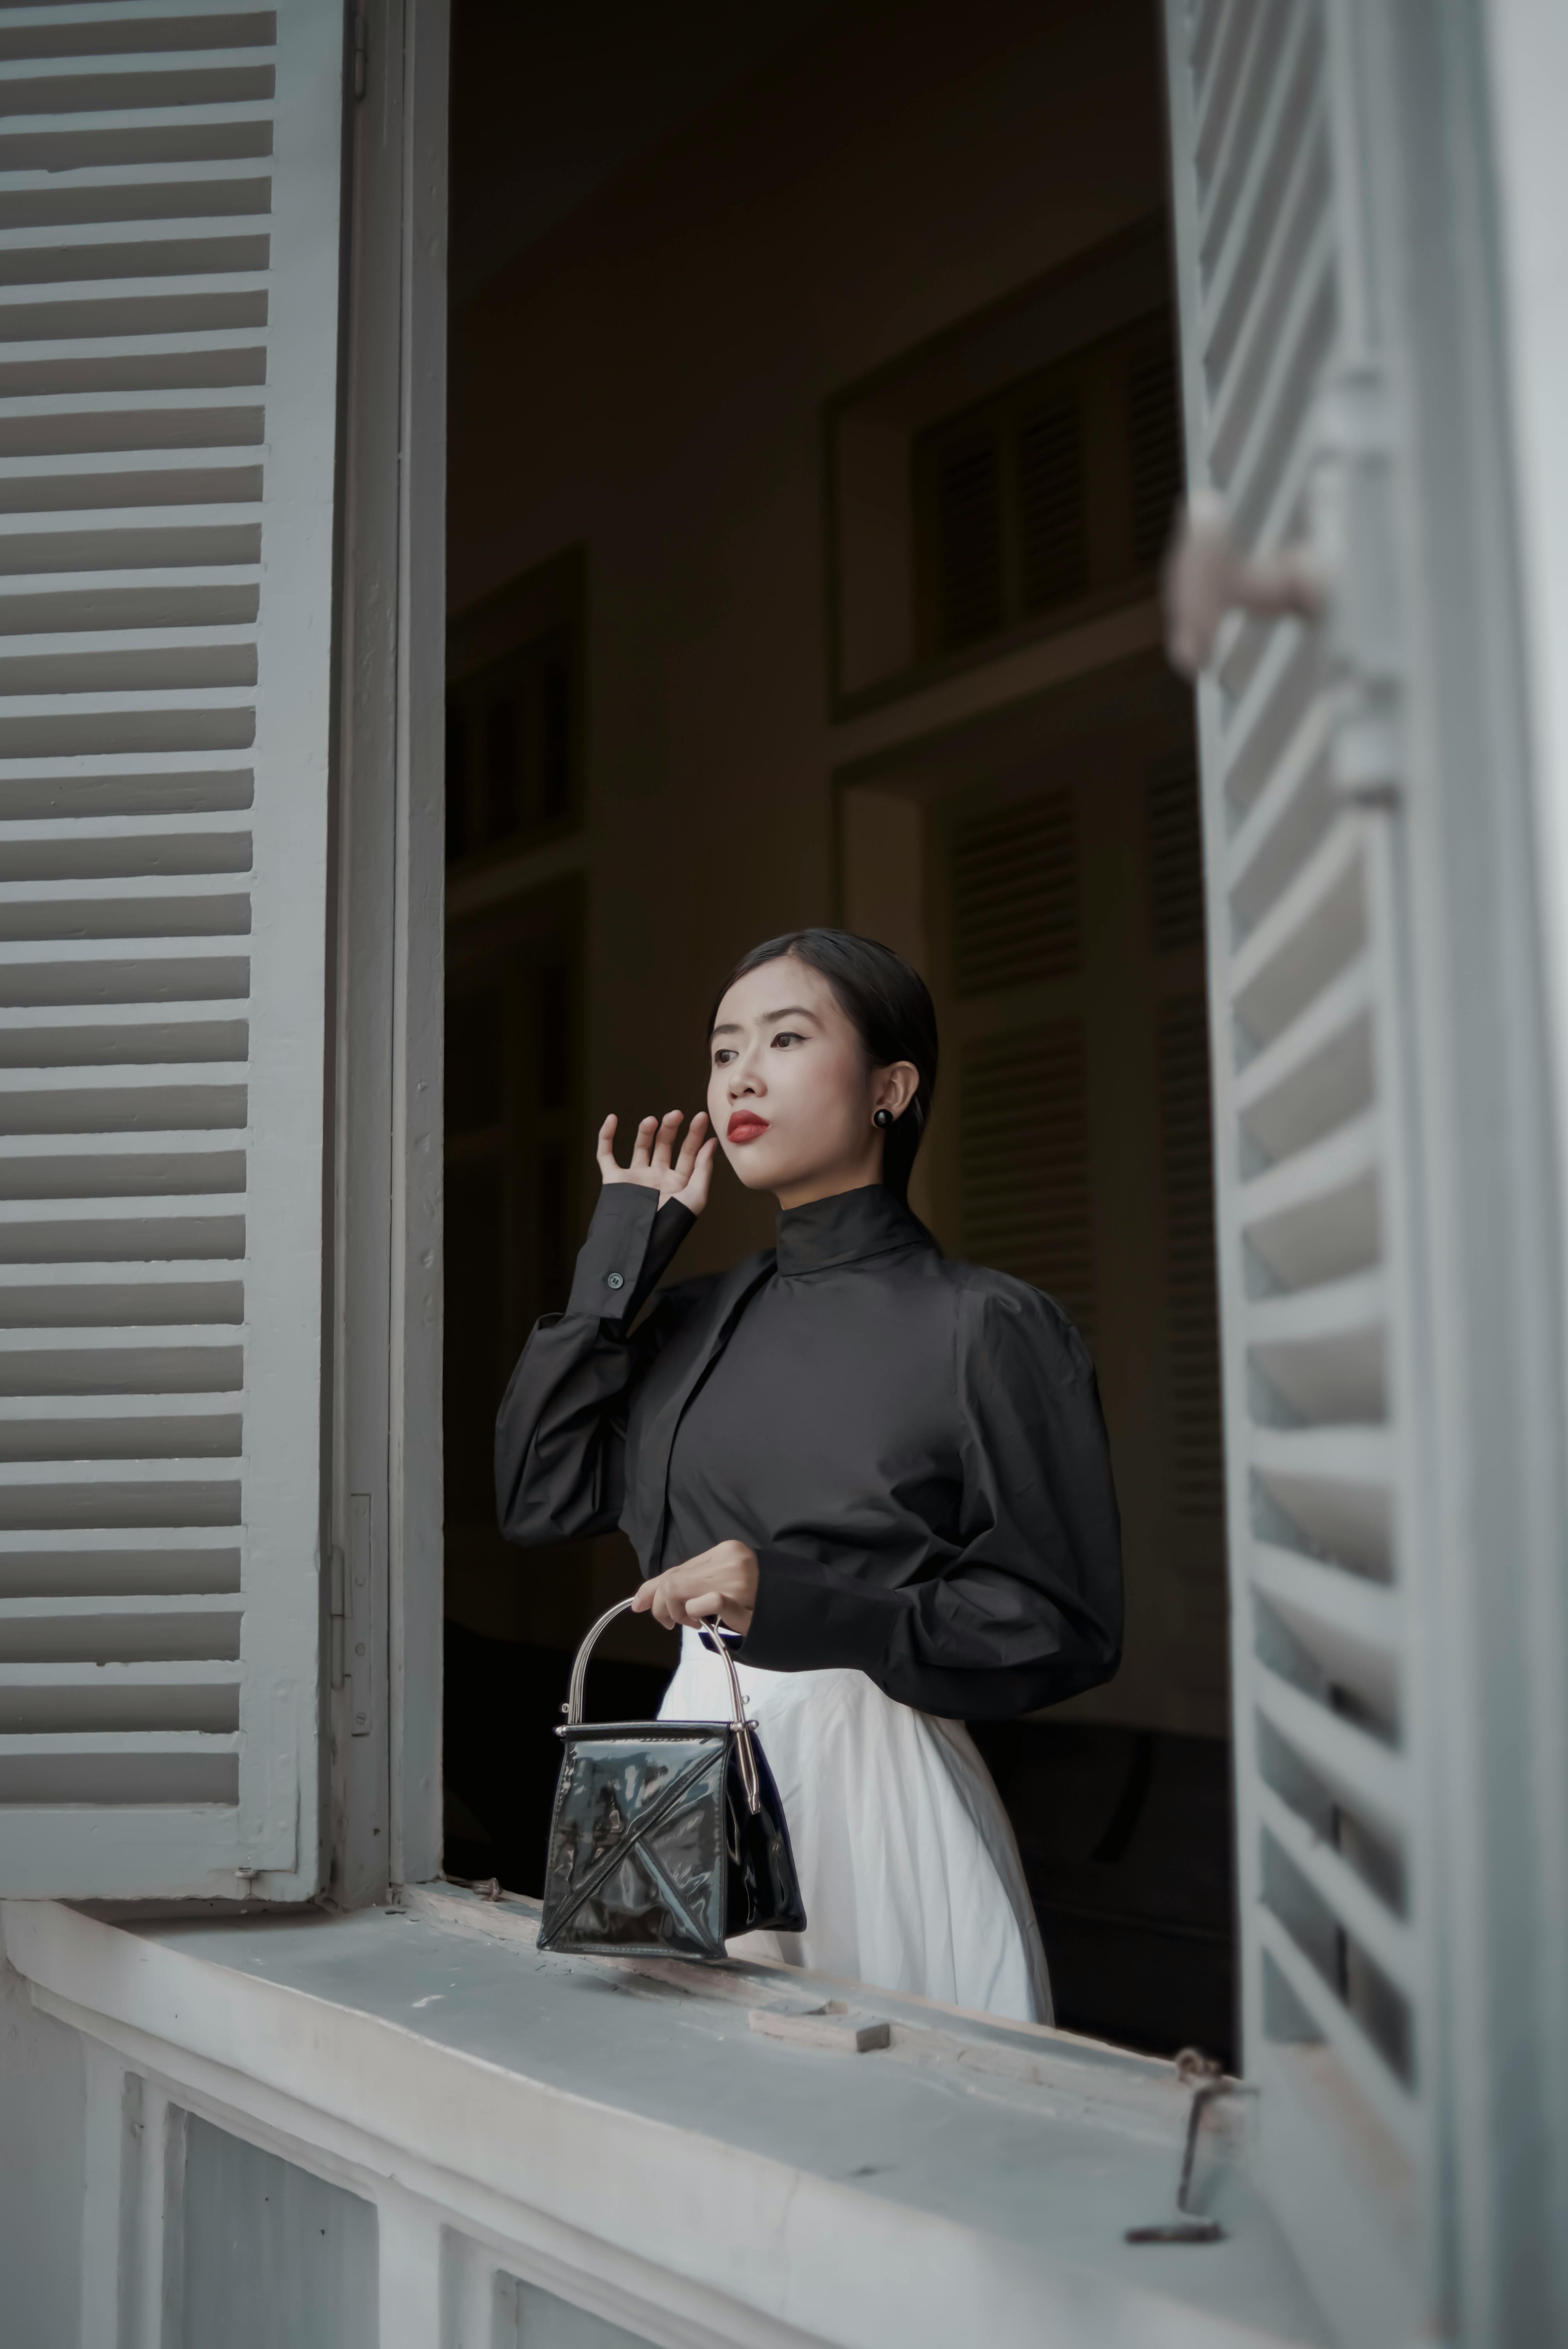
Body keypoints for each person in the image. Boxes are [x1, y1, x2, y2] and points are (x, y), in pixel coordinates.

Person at [495, 928, 1122, 2023]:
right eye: (724, 1050)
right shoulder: (689, 1323)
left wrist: (796, 1603)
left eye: (785, 1040)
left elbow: (1060, 1623)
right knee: (679, 2102)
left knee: (895, 2102)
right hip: (683, 1768)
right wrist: (617, 1264)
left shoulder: (989, 1326)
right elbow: (539, 1496)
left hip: (878, 1787)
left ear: (891, 1087)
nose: (743, 1075)